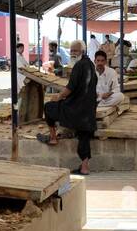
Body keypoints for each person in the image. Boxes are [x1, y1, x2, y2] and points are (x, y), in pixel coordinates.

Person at [38, 39, 98, 175]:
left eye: (75, 51)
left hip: (76, 108)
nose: (72, 53)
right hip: (88, 110)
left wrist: (58, 97)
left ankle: (53, 137)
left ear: (82, 51)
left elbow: (70, 88)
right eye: (71, 50)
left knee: (48, 107)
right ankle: (84, 168)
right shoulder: (90, 64)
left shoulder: (79, 66)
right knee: (84, 136)